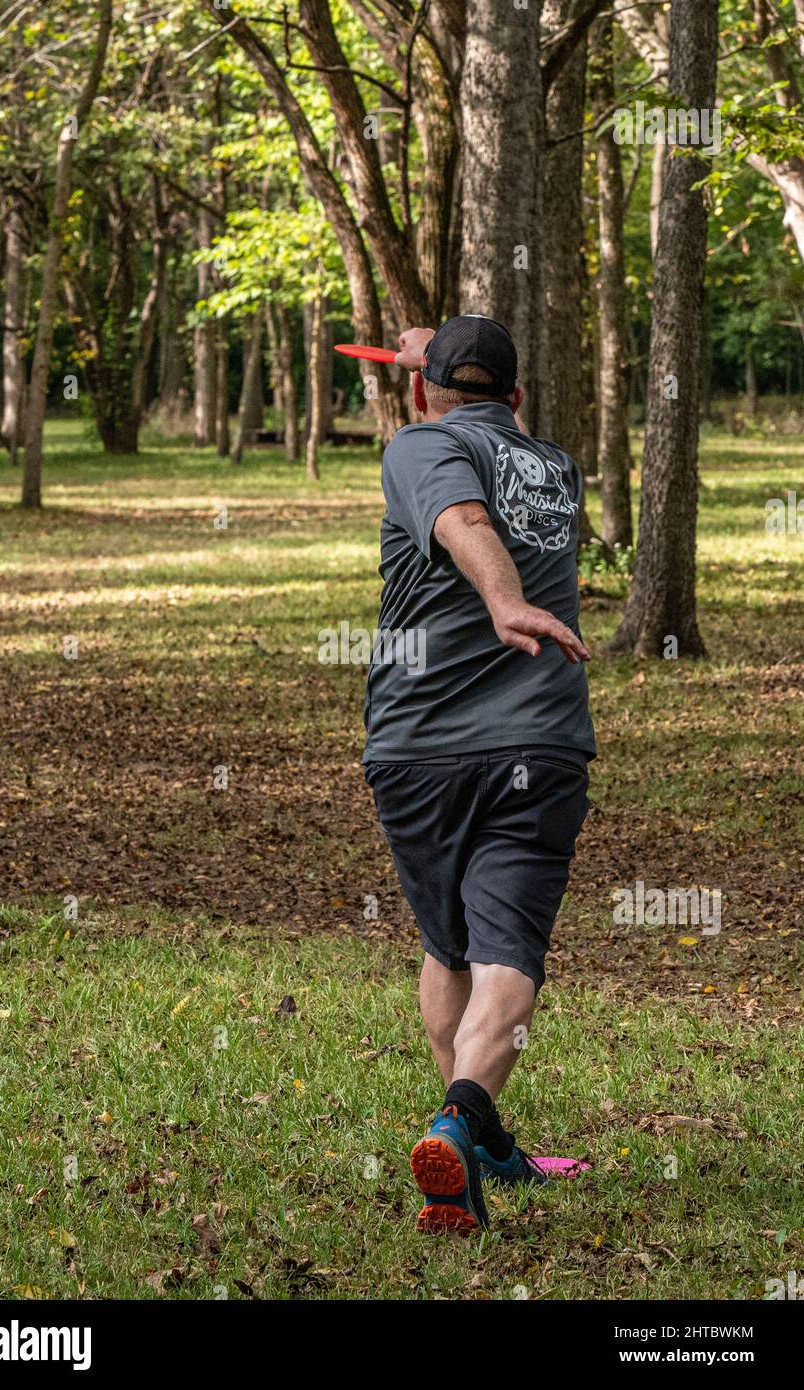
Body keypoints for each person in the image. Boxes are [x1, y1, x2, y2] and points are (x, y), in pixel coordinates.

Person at [363, 315, 595, 1233]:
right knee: (503, 949)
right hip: (538, 745)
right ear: (518, 397)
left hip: (416, 750)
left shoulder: (418, 446)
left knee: (448, 944)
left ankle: (460, 1125)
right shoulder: (559, 467)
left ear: (422, 392)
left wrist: (503, 600)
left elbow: (458, 517)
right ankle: (466, 1126)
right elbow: (480, 480)